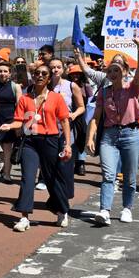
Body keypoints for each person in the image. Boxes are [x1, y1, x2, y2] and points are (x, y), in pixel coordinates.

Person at [3, 61, 72, 232]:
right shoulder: (25, 99)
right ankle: (24, 216)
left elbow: (64, 121)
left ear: (49, 78)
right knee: (27, 177)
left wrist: (68, 144)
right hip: (30, 141)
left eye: (43, 74)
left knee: (52, 178)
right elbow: (18, 120)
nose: (39, 76)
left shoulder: (56, 98)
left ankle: (61, 210)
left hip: (50, 140)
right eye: (36, 74)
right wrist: (9, 126)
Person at [85, 40, 139, 226]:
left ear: (125, 72)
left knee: (129, 176)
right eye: (110, 70)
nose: (113, 73)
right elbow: (96, 117)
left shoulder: (133, 88)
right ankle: (104, 210)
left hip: (131, 134)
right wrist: (90, 137)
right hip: (109, 136)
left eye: (117, 70)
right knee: (108, 174)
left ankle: (127, 208)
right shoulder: (104, 92)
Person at [48, 59, 84, 206]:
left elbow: (81, 106)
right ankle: (55, 196)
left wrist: (73, 115)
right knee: (51, 165)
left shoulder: (71, 86)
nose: (55, 70)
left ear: (63, 69)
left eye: (58, 67)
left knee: (65, 165)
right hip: (49, 129)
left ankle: (66, 197)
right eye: (52, 68)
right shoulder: (44, 85)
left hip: (66, 129)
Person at [0, 60, 21, 184]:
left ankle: (7, 174)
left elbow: (19, 106)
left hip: (9, 121)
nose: (2, 74)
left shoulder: (15, 86)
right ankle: (4, 166)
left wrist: (17, 124)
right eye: (0, 71)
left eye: (5, 71)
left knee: (7, 149)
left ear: (10, 73)